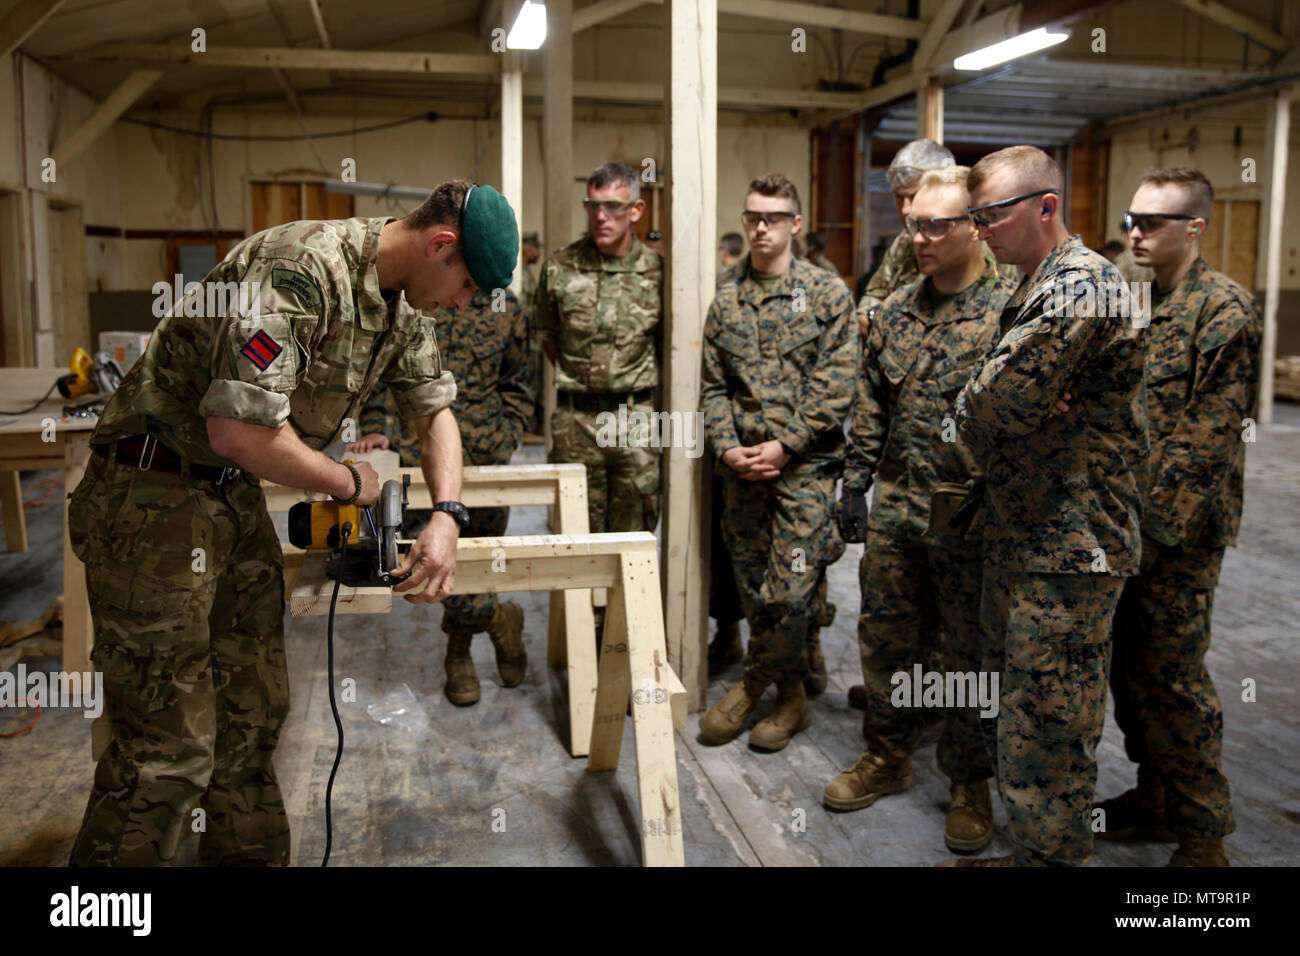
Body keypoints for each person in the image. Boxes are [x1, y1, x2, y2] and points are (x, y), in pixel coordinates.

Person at [66, 180, 518, 865]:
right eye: (468, 287)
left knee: (252, 715)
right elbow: (236, 430)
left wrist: (448, 516)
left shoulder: (403, 304)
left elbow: (434, 412)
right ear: (439, 244)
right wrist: (348, 482)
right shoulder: (302, 269)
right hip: (149, 495)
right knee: (166, 749)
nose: (466, 305)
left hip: (228, 497)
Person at [943, 146, 1148, 867]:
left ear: (1047, 207)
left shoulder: (1082, 284)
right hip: (1030, 530)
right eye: (974, 217)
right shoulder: (1031, 283)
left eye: (991, 215)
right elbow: (998, 397)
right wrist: (1008, 400)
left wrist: (1005, 400)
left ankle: (1053, 858)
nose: (980, 231)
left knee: (1051, 722)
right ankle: (1038, 851)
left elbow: (995, 397)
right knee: (1026, 710)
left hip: (1073, 541)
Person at [826, 168, 1018, 856]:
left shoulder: (1013, 306)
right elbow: (873, 402)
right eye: (915, 223)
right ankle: (887, 752)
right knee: (887, 637)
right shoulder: (898, 308)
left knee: (970, 650)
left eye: (939, 224)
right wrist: (855, 484)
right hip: (902, 506)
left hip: (974, 512)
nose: (923, 237)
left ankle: (970, 778)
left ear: (976, 225)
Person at [1095, 168, 1260, 867]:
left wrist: (1155, 534)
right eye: (1132, 218)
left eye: (1152, 222)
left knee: (1173, 676)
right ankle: (1155, 794)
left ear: (1194, 228)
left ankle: (1204, 832)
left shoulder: (1223, 311)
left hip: (1180, 534)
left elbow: (1208, 439)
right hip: (1125, 522)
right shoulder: (1135, 299)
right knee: (1129, 670)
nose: (1135, 232)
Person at [698, 173, 855, 751]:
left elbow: (837, 387)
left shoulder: (828, 295)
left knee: (790, 591)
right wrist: (726, 444)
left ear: (795, 223)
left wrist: (786, 444)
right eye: (752, 217)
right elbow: (714, 386)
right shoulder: (726, 295)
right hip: (743, 473)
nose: (761, 227)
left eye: (773, 217)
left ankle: (754, 683)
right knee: (753, 590)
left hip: (805, 470)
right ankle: (790, 698)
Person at [350, 286, 534, 706]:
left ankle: (459, 655)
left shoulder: (508, 307)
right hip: (422, 456)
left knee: (480, 561)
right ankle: (501, 620)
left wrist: (509, 432)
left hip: (485, 454)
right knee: (432, 557)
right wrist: (377, 425)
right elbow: (379, 372)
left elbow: (519, 382)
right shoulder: (417, 298)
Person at [843, 139, 957, 714]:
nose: (911, 216)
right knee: (892, 602)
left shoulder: (985, 257)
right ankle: (897, 708)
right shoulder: (903, 248)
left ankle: (932, 706)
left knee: (952, 611)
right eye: (902, 203)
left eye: (917, 200)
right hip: (901, 450)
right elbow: (871, 307)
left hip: (957, 468)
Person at [536, 162, 663, 549]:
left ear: (636, 211)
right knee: (575, 536)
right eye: (593, 206)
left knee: (634, 538)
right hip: (575, 420)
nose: (601, 216)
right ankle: (584, 614)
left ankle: (622, 613)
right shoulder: (560, 266)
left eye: (613, 207)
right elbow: (549, 337)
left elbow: (666, 344)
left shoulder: (657, 271)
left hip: (634, 419)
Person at [856, 139, 956, 340]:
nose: (905, 209)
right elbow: (875, 291)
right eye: (899, 197)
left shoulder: (973, 240)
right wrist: (869, 313)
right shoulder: (904, 241)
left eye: (914, 196)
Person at [519, 232, 546, 440]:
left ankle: (533, 427)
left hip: (533, 340)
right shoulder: (518, 273)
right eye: (536, 248)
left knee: (536, 384)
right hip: (525, 340)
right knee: (529, 383)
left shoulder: (526, 273)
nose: (538, 253)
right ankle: (526, 428)